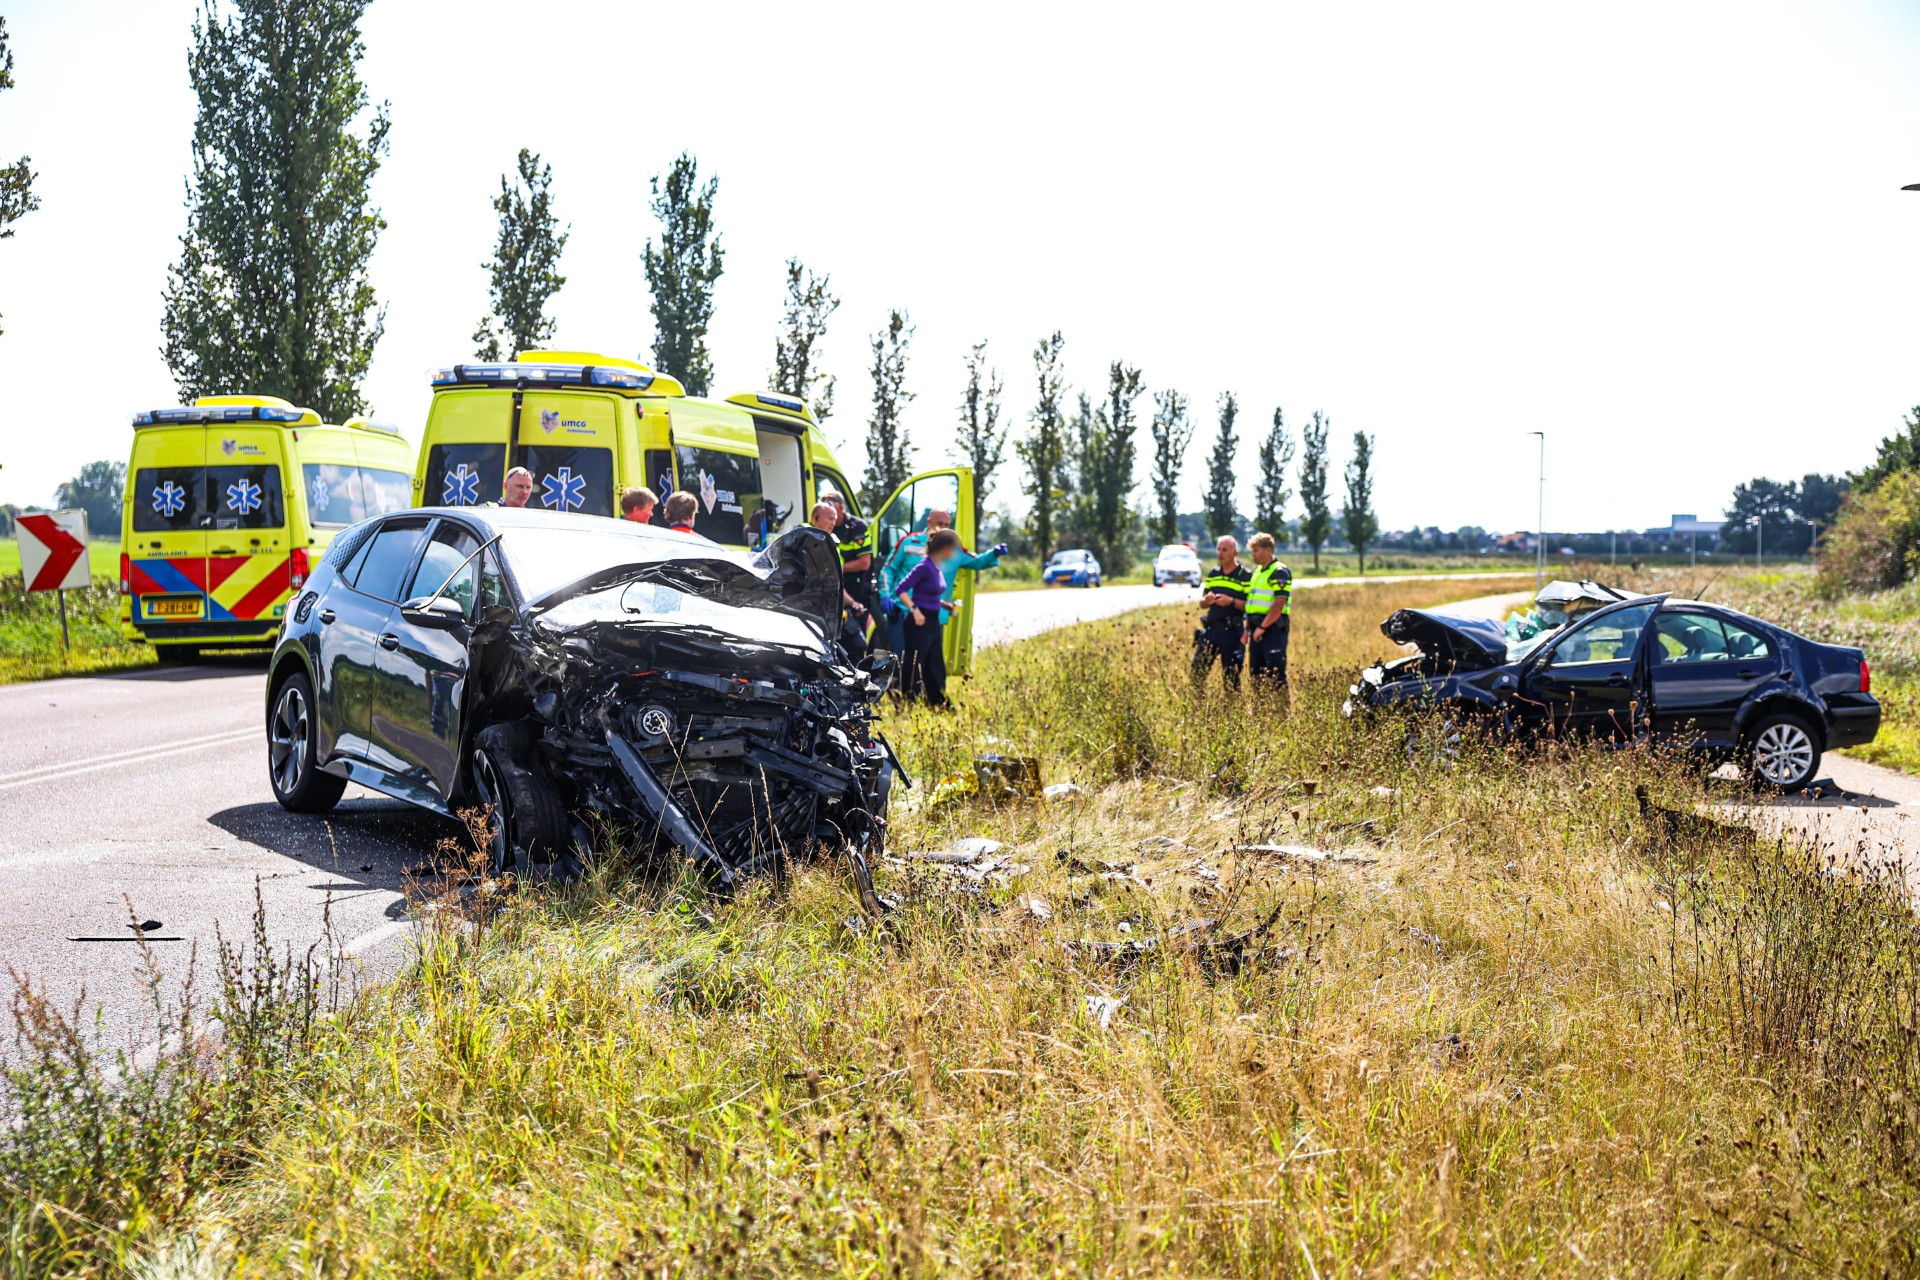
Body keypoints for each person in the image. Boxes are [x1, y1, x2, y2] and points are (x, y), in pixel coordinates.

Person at [896, 528, 962, 707]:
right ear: (944, 547)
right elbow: (901, 589)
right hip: (919, 621)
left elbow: (929, 594)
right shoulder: (924, 566)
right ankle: (909, 701)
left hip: (932, 620)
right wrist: (915, 611)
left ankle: (937, 700)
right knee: (916, 663)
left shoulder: (936, 567)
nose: (955, 551)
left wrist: (944, 605)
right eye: (953, 547)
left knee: (935, 664)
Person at [1192, 535, 1251, 691]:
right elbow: (1202, 603)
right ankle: (1198, 709)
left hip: (1232, 632)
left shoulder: (1245, 576)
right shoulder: (1213, 574)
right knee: (1197, 674)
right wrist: (1207, 600)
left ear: (1235, 552)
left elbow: (1251, 606)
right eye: (1218, 549)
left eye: (1225, 550)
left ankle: (1232, 711)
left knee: (1231, 679)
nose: (1220, 553)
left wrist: (1231, 601)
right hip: (1211, 630)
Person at [823, 491, 872, 659]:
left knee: (857, 644)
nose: (832, 517)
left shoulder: (858, 526)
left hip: (854, 589)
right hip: (832, 589)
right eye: (826, 508)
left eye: (833, 507)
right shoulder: (823, 526)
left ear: (842, 507)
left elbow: (865, 562)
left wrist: (833, 569)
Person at [1244, 531, 1293, 692]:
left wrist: (1262, 628)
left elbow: (1279, 604)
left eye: (1256, 550)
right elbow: (1251, 605)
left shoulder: (1279, 572)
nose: (1253, 555)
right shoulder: (1257, 573)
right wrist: (1247, 630)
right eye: (1252, 551)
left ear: (1268, 550)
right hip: (1256, 630)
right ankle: (1260, 712)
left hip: (1272, 631)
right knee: (1256, 675)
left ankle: (1282, 712)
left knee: (1275, 674)